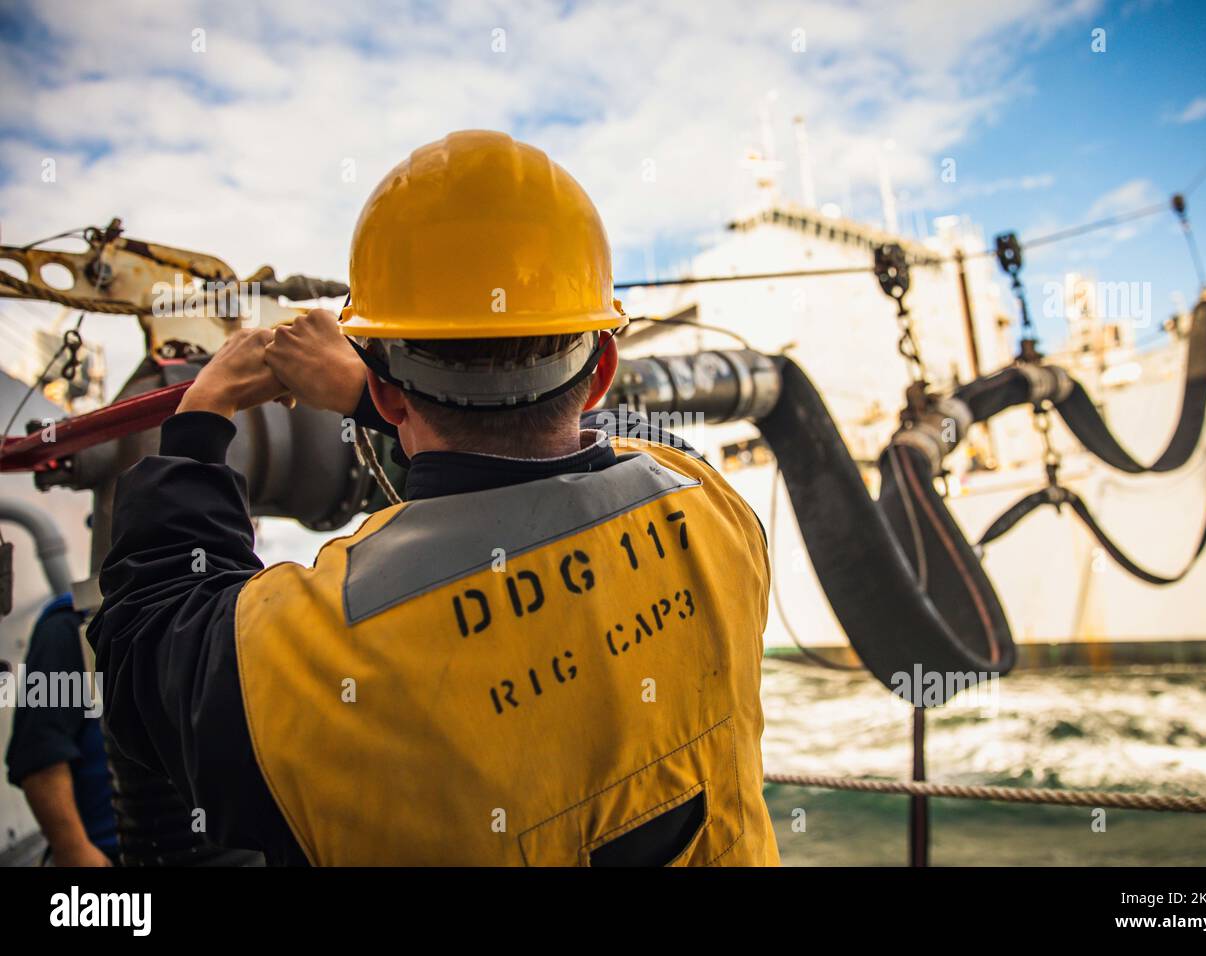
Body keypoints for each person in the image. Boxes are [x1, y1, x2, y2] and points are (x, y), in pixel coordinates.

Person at [89, 130, 779, 866]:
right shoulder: (714, 512)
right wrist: (374, 396)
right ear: (602, 369)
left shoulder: (321, 648)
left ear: (389, 390)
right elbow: (614, 453)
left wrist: (203, 414)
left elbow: (144, 649)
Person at [6, 594, 118, 866]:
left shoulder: (196, 607)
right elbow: (41, 755)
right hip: (110, 850)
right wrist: (73, 848)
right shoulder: (70, 624)